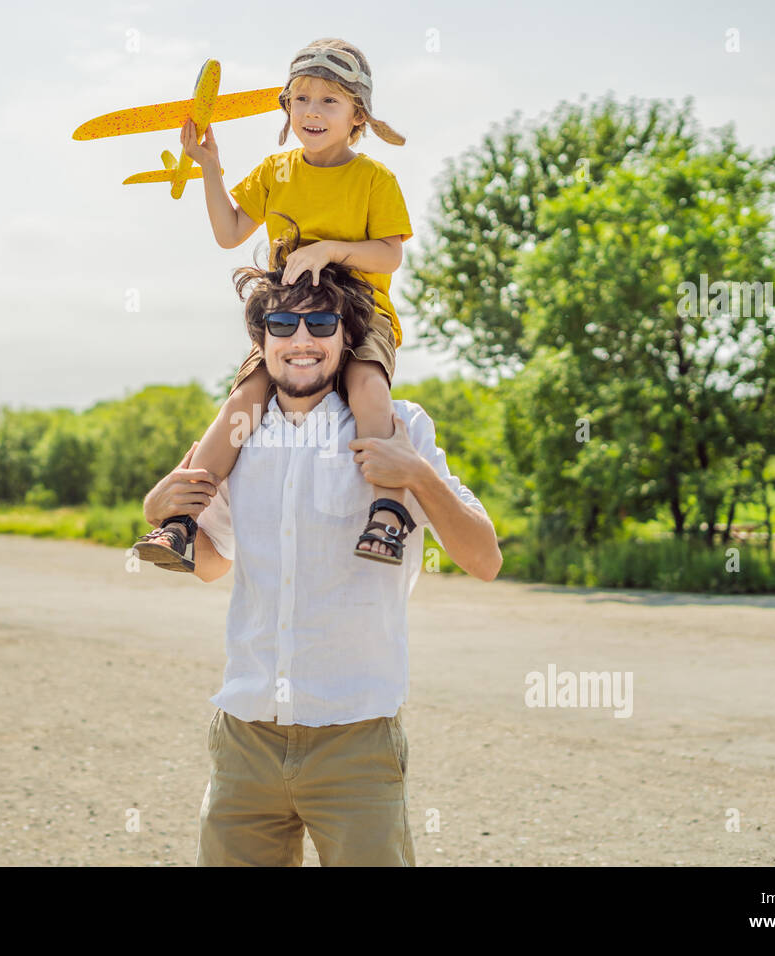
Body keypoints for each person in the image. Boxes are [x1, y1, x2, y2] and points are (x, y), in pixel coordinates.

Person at [140, 235, 502, 867]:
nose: (301, 337)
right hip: (245, 736)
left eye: (320, 322)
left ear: (345, 336)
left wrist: (417, 475)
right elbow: (213, 564)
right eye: (282, 322)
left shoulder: (398, 426)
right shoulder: (238, 436)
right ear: (262, 341)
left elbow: (485, 559)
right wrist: (155, 511)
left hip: (355, 737)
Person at [132, 37, 417, 570]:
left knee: (368, 388)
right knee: (243, 401)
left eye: (329, 100)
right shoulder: (276, 170)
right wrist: (209, 167)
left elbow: (390, 256)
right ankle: (181, 523)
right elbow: (230, 232)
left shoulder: (375, 178)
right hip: (291, 311)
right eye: (301, 98)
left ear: (358, 114)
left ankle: (387, 511)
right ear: (286, 106)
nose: (312, 111)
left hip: (358, 312)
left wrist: (331, 249)